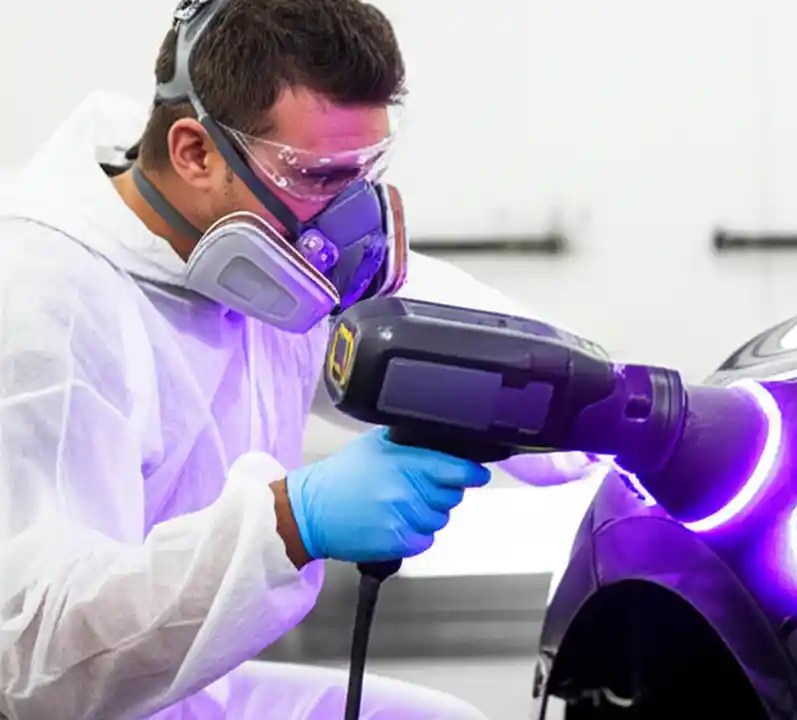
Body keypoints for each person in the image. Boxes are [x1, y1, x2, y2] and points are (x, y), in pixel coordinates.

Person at [0, 0, 594, 717]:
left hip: (174, 694)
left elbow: (476, 336)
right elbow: (30, 661)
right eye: (320, 176)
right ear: (195, 152)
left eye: (363, 172)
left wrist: (615, 415)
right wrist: (291, 524)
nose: (348, 220)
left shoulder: (254, 248)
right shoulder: (46, 304)